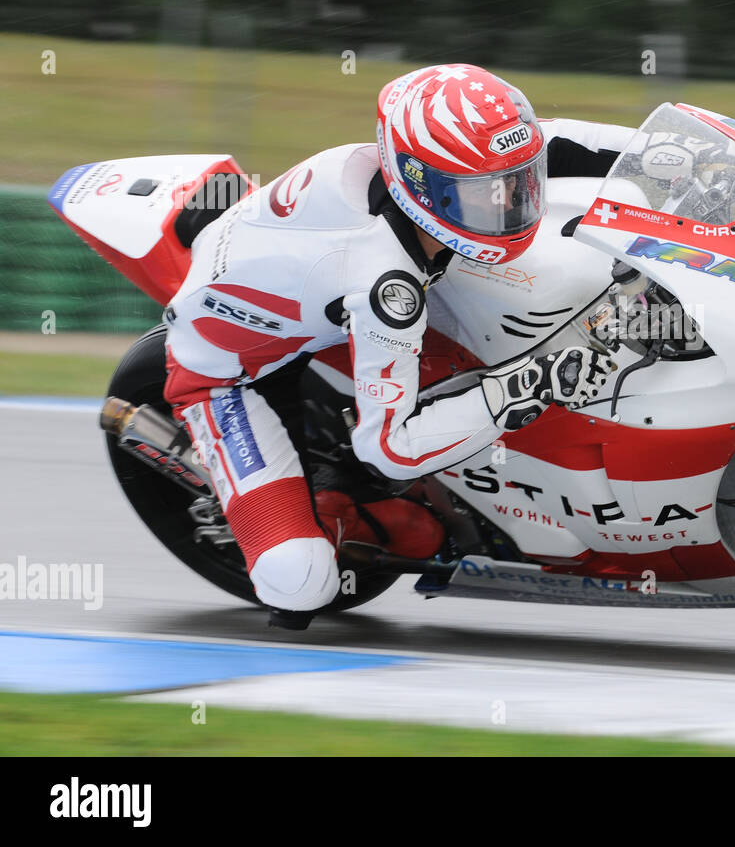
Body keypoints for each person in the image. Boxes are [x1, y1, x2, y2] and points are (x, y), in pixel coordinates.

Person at [161, 64, 632, 618]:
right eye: (480, 196)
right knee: (301, 582)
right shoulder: (385, 282)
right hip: (232, 375)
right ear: (418, 181)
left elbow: (636, 148)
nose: (508, 206)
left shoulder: (473, 154)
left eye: (520, 182)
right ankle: (325, 513)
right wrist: (531, 383)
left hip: (312, 293)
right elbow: (391, 448)